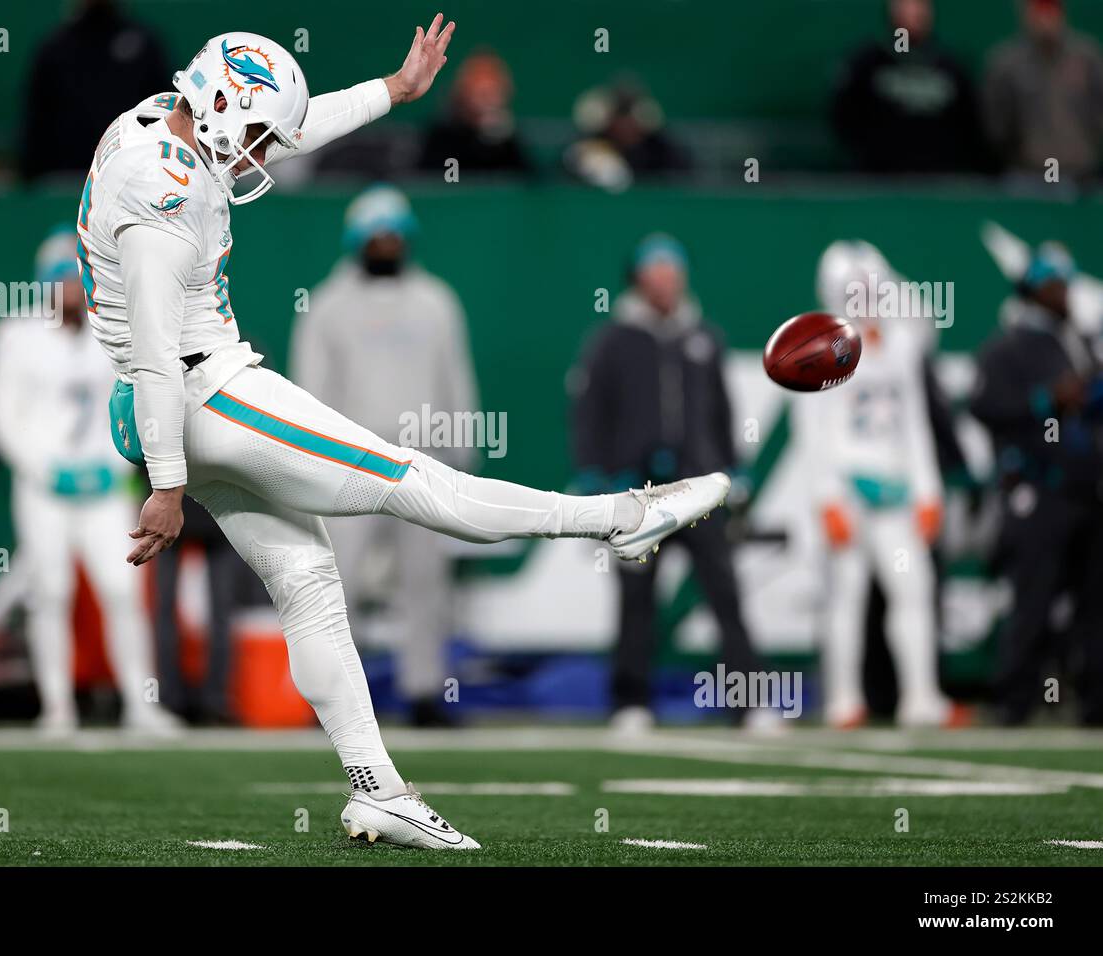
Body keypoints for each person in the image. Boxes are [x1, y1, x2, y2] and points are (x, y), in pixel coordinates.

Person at [73, 18, 730, 850]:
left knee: (308, 579)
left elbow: (297, 126)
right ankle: (621, 519)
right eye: (258, 139)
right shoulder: (160, 197)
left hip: (171, 395)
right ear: (219, 115)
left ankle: (375, 789)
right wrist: (167, 485)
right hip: (200, 391)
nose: (267, 155)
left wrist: (394, 88)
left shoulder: (165, 117)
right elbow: (162, 354)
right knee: (411, 481)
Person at [292, 185, 478, 727]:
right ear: (356, 240)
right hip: (349, 463)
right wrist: (310, 463)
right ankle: (330, 698)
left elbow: (456, 378)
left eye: (394, 233)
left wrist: (460, 455)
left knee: (425, 581)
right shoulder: (327, 306)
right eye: (376, 234)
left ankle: (423, 692)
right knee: (335, 582)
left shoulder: (436, 302)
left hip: (423, 462)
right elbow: (310, 388)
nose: (386, 243)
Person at [569, 234, 767, 732]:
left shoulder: (703, 337)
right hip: (638, 492)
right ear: (638, 280)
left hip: (697, 489)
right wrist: (597, 471)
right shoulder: (612, 340)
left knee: (725, 594)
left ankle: (749, 704)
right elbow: (590, 412)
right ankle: (631, 702)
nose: (664, 282)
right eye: (654, 272)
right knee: (636, 601)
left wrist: (731, 468)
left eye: (671, 271)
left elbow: (721, 411)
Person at [0, 229, 178, 734]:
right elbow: (3, 417)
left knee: (122, 590)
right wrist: (46, 468)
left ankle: (141, 703)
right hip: (44, 486)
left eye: (77, 281)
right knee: (50, 591)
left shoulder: (115, 329)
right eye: (61, 282)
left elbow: (138, 403)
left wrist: (113, 466)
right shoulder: (15, 334)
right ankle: (57, 706)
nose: (70, 291)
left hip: (105, 487)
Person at [795, 241, 967, 729]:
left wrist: (927, 491)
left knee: (914, 588)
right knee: (845, 596)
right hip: (849, 488)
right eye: (855, 289)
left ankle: (921, 697)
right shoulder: (816, 345)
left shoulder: (903, 343)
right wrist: (826, 497)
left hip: (894, 491)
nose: (866, 297)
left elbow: (914, 425)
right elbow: (813, 431)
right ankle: (845, 700)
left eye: (873, 288)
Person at [970, 244, 1103, 726]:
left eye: (1066, 284)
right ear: (1034, 291)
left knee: (1093, 605)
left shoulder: (1077, 341)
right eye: (1055, 285)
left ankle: (1094, 703)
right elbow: (985, 408)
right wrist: (1046, 400)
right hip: (1038, 489)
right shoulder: (1008, 347)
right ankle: (1014, 700)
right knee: (1034, 599)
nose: (1064, 293)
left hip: (1086, 489)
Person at [831, 0, 988, 174]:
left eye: (919, 5)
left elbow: (969, 123)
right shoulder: (869, 63)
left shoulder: (950, 66)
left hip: (939, 177)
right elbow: (844, 116)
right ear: (892, 10)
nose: (914, 12)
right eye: (906, 5)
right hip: (881, 177)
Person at [19, 0, 169, 182]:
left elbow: (162, 113)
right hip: (64, 179)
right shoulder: (54, 48)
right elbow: (37, 122)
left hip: (131, 177)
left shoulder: (144, 44)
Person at [983, 0, 1103, 182]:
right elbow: (997, 125)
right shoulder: (1006, 63)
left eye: (1050, 11)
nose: (1045, 19)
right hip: (1027, 175)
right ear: (1026, 15)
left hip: (1082, 175)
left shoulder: (1087, 57)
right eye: (1038, 11)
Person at [417, 49, 531, 175]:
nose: (488, 101)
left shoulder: (508, 139)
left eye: (494, 93)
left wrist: (499, 144)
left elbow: (525, 181)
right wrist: (479, 143)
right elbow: (443, 178)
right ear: (464, 94)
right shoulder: (443, 136)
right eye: (482, 93)